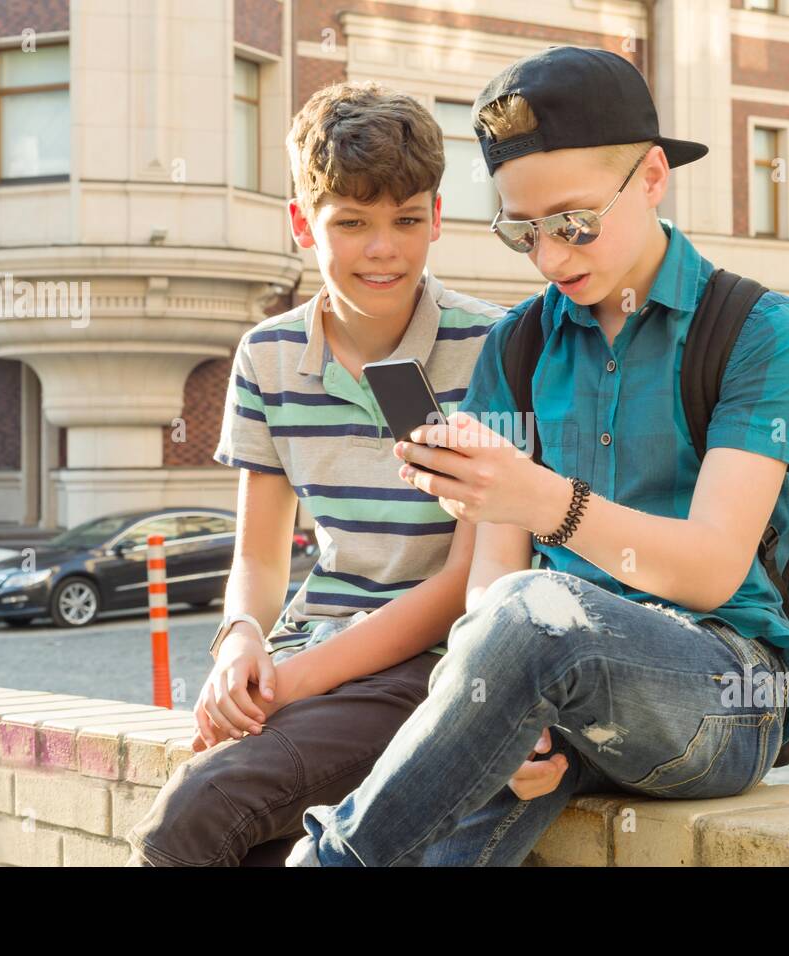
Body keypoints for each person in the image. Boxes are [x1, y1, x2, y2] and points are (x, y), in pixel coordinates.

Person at [285, 46, 789, 867]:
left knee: (536, 612)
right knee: (457, 824)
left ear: (651, 176)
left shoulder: (757, 329)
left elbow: (714, 568)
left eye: (573, 224)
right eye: (522, 232)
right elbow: (490, 582)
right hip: (550, 683)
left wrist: (542, 502)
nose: (549, 258)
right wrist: (517, 711)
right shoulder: (519, 342)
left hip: (724, 694)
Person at [123, 80, 506, 867]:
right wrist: (238, 645)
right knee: (261, 847)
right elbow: (260, 555)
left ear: (437, 216)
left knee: (190, 819)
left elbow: (466, 582)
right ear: (304, 223)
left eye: (406, 220)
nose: (383, 248)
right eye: (352, 223)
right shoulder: (267, 355)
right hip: (309, 650)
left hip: (423, 672)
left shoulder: (495, 348)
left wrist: (287, 684)